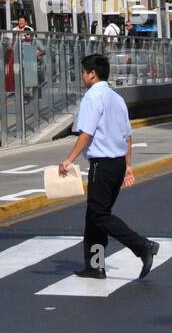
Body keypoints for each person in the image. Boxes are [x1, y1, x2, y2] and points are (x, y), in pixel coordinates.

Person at [58, 54, 158, 281]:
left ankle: (142, 246)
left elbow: (87, 132)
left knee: (99, 215)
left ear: (91, 73)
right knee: (94, 217)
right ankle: (95, 266)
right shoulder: (116, 98)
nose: (82, 77)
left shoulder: (93, 97)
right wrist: (128, 166)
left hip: (101, 165)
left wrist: (69, 159)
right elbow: (128, 137)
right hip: (117, 165)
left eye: (83, 72)